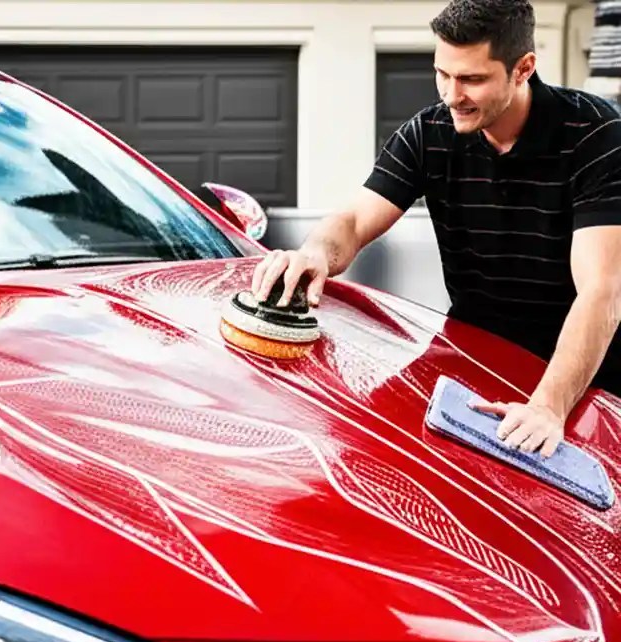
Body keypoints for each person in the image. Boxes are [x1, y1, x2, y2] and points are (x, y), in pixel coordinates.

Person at [253, 0, 621, 460]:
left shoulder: (596, 137)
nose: (451, 95)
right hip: (475, 361)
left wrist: (549, 406)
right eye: (442, 74)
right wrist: (314, 253)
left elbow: (601, 292)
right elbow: (354, 220)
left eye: (471, 79)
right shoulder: (429, 133)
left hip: (588, 387)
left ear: (523, 69)